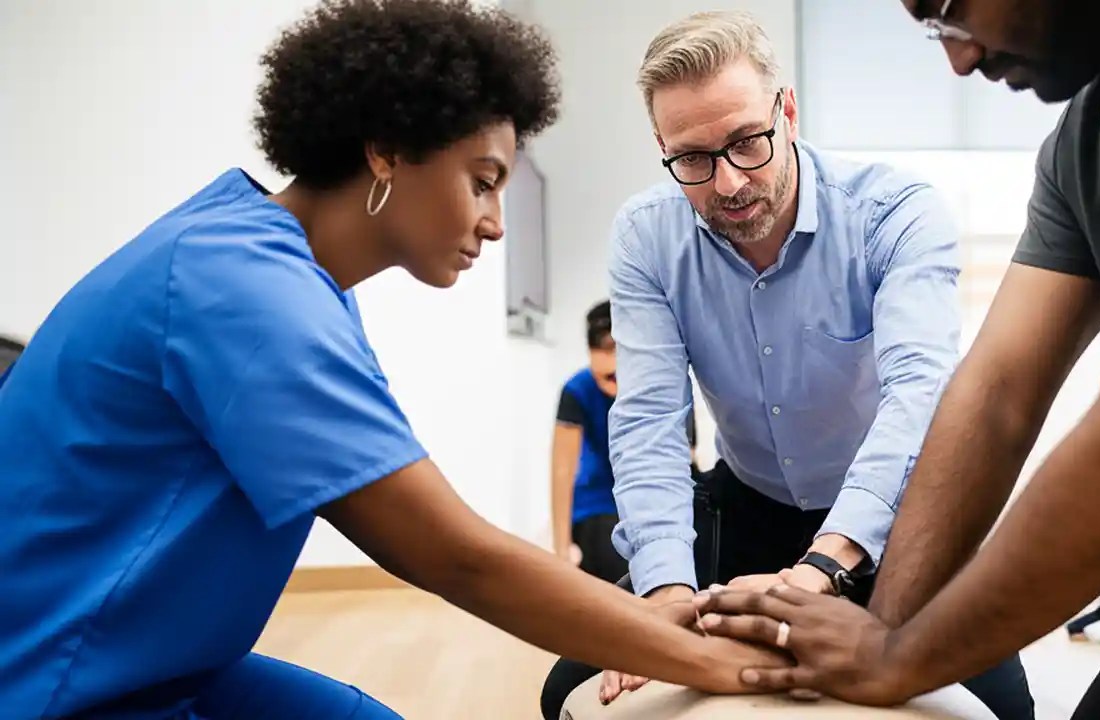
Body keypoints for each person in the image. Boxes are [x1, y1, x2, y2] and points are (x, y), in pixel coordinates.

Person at [0, 2, 788, 718]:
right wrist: (723, 663)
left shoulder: (283, 273)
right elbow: (452, 554)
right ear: (386, 151)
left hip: (174, 665)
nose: (495, 224)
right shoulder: (241, 290)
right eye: (483, 183)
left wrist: (649, 614)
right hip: (60, 681)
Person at [692, 1, 1100, 717]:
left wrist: (895, 657)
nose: (959, 58)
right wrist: (876, 633)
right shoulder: (1086, 143)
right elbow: (996, 397)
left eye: (950, 7)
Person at [539, 10, 1033, 720]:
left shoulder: (893, 213)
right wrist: (665, 594)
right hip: (746, 502)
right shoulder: (647, 236)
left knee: (1006, 707)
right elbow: (648, 419)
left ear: (787, 111)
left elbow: (919, 395)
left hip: (887, 514)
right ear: (662, 148)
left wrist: (826, 565)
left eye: (747, 142)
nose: (730, 182)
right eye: (694, 159)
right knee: (566, 689)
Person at [551, 300, 698, 583]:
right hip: (598, 507)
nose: (612, 387)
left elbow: (687, 464)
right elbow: (562, 472)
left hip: (653, 500)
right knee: (616, 556)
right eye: (604, 377)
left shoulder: (667, 386)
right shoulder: (578, 389)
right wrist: (561, 551)